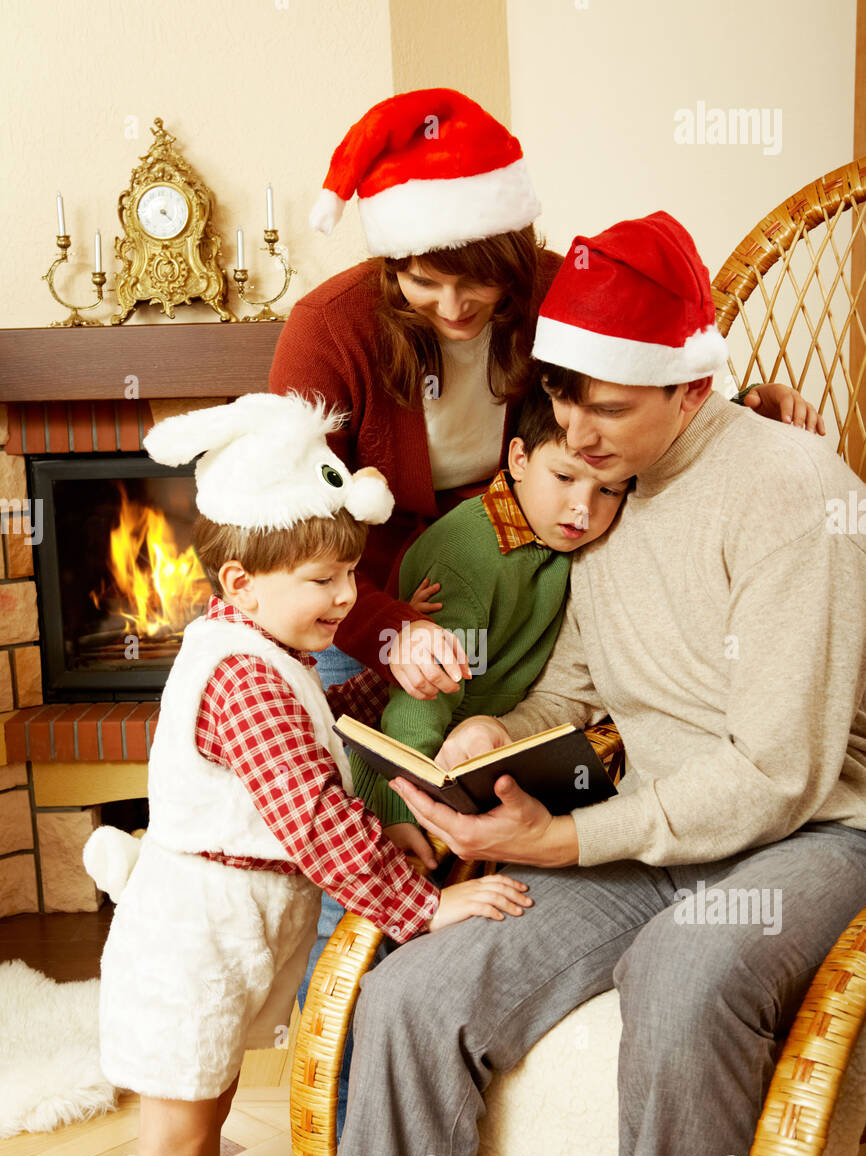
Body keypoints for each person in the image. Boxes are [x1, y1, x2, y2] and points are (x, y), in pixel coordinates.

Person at [300, 211, 866, 1156]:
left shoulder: (794, 495)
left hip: (810, 832)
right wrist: (495, 737)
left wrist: (563, 836)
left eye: (606, 406)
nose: (579, 431)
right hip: (647, 823)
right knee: (413, 994)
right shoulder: (604, 492)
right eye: (562, 398)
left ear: (689, 389)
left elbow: (775, 771)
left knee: (683, 973)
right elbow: (580, 682)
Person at [81, 392, 533, 1156]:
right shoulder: (242, 676)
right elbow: (317, 820)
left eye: (351, 575)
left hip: (228, 933)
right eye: (323, 581)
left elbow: (317, 731)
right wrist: (425, 905)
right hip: (195, 939)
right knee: (174, 1134)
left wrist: (401, 739)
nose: (345, 598)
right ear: (242, 582)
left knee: (206, 1112)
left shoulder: (262, 646)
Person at [270, 87, 819, 703]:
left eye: (478, 283)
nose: (453, 309)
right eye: (424, 282)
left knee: (504, 761)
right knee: (368, 771)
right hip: (365, 604)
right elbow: (297, 516)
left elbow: (643, 392)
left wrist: (741, 408)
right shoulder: (328, 329)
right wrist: (389, 629)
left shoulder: (557, 292)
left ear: (515, 258)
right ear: (391, 263)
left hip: (531, 588)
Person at [352, 376, 632, 866]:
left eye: (608, 489)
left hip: (488, 760)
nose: (583, 508)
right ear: (519, 459)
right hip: (413, 768)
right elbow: (423, 697)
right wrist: (399, 810)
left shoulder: (557, 534)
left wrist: (756, 398)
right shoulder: (468, 560)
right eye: (564, 478)